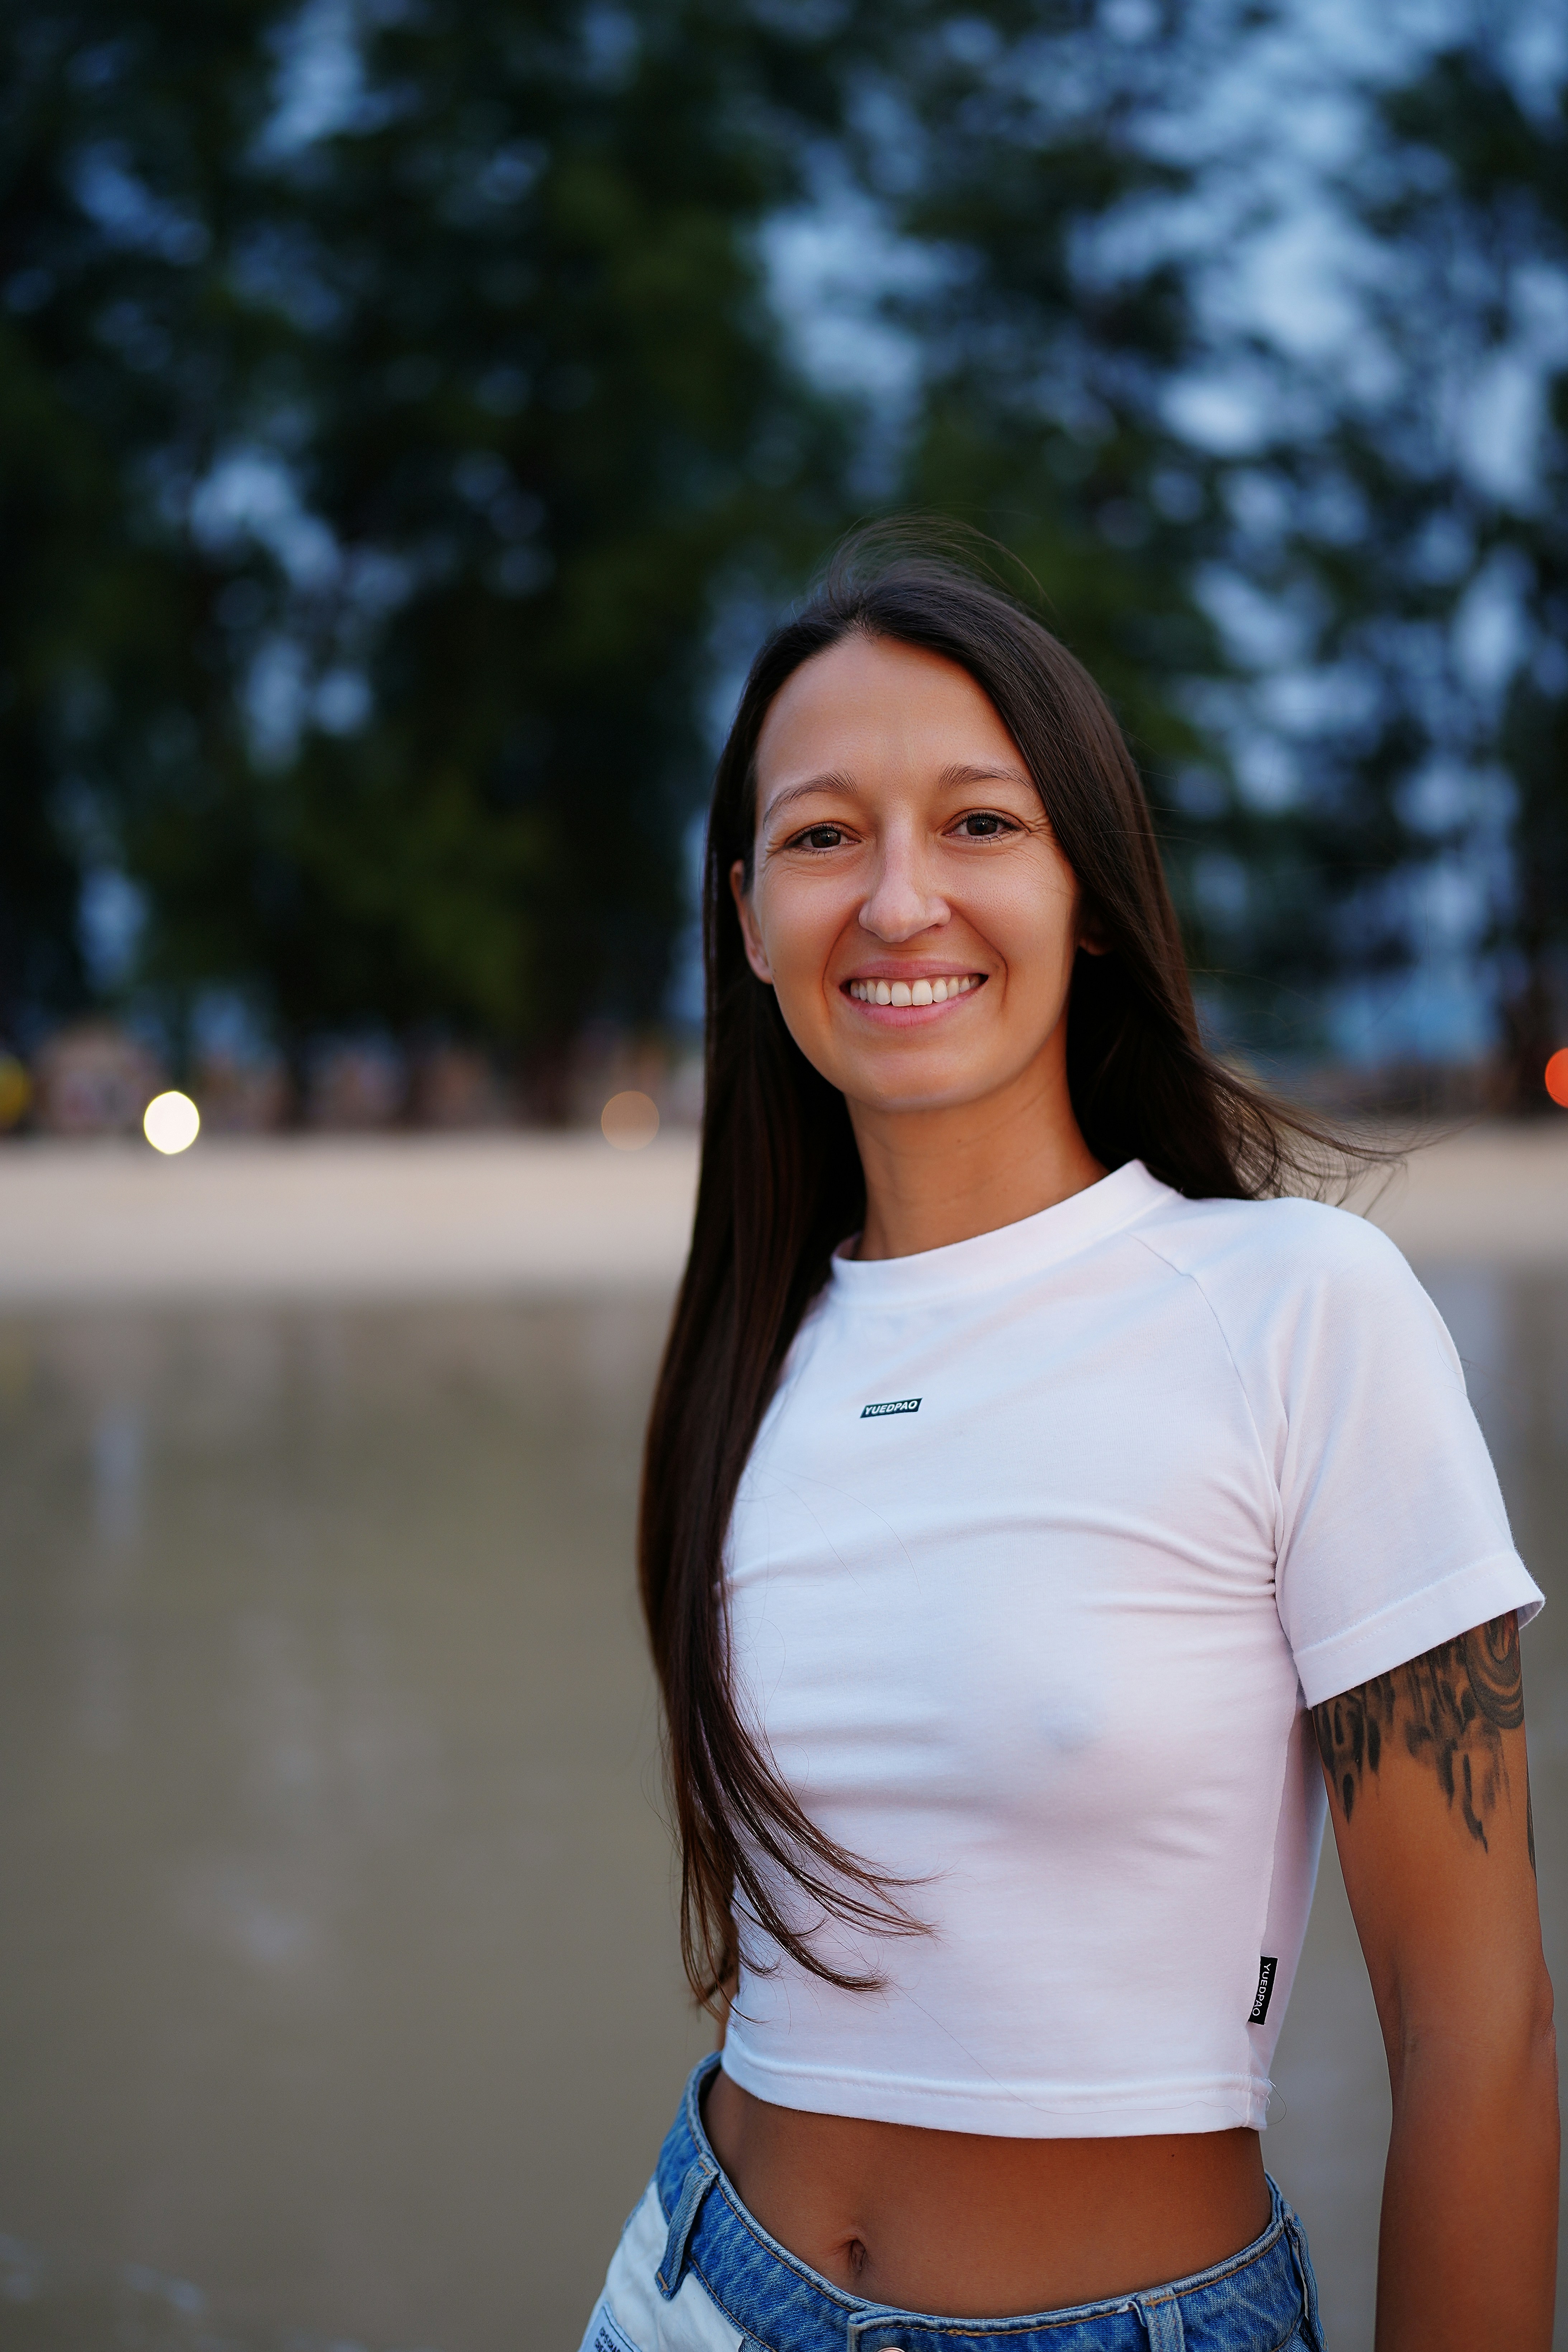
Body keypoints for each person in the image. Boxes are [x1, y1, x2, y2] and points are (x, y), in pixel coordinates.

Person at [581, 531, 1557, 2352]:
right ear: (743, 914)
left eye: (976, 823)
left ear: (1089, 888)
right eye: (820, 836)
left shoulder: (1297, 1309)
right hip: (695, 2291)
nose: (893, 900)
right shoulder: (749, 1348)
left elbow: (1475, 2024)